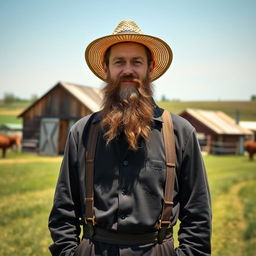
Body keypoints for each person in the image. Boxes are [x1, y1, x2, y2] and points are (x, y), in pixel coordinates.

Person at [48, 19, 211, 256]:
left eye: (136, 62)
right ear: (106, 68)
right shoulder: (81, 133)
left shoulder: (180, 132)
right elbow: (63, 211)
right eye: (119, 62)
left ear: (150, 67)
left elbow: (198, 214)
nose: (128, 70)